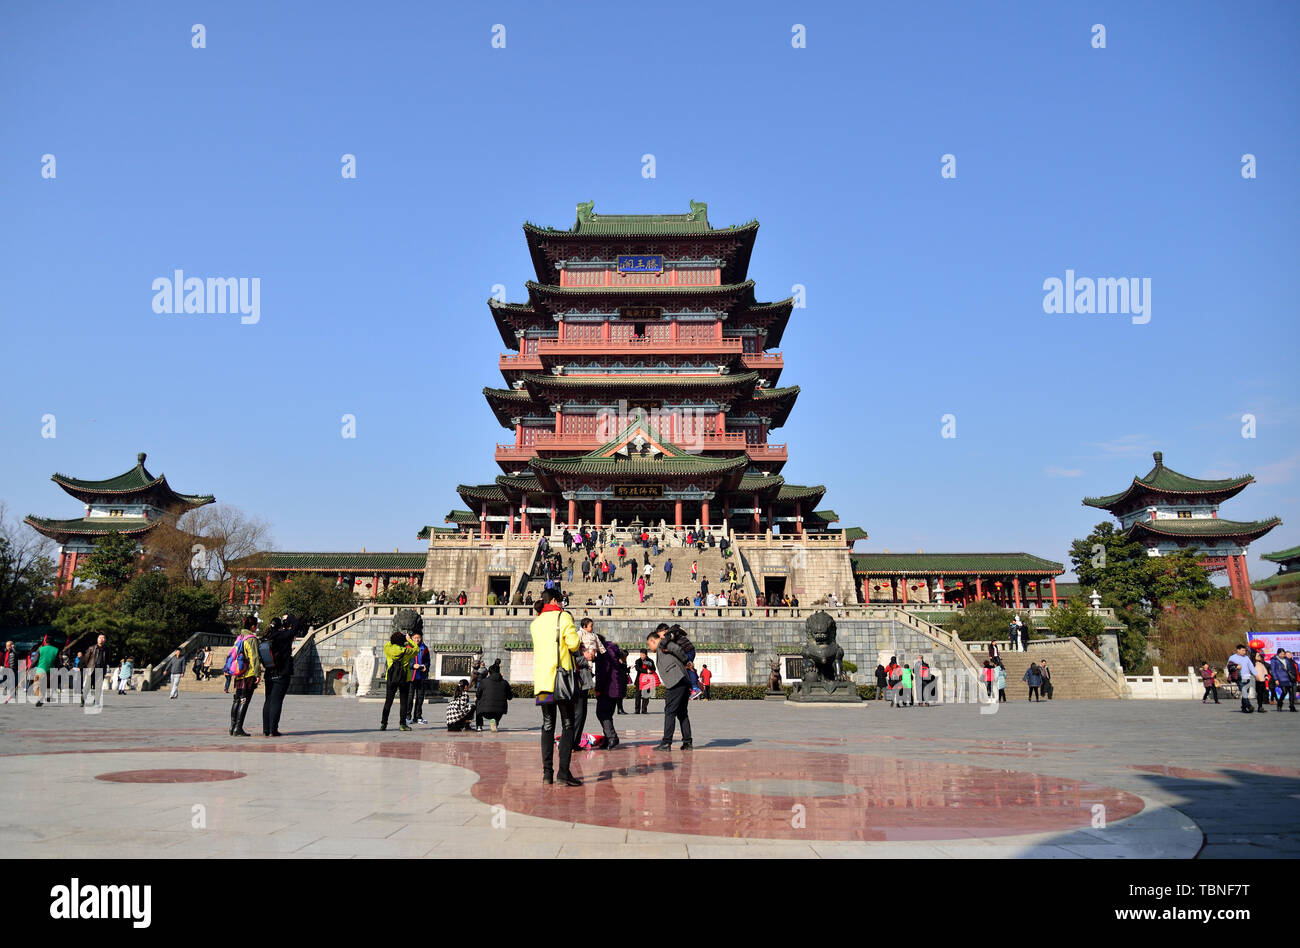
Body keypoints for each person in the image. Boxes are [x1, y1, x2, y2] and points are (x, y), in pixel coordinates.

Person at [529, 590, 582, 787]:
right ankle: (563, 773)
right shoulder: (563, 616)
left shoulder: (536, 622)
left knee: (547, 724)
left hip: (543, 682)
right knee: (568, 724)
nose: (562, 604)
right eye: (560, 600)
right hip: (562, 680)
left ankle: (547, 774)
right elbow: (573, 644)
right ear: (553, 600)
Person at [648, 624, 693, 750]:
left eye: (649, 644)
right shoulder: (662, 646)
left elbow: (677, 649)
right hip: (681, 680)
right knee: (682, 713)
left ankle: (666, 742)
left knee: (670, 712)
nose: (649, 648)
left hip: (676, 681)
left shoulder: (663, 643)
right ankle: (687, 742)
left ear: (653, 640)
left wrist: (686, 661)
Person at [260, 615, 297, 737]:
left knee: (268, 701)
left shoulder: (266, 636)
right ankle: (273, 729)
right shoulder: (283, 636)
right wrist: (290, 618)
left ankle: (266, 729)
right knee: (277, 701)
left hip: (269, 671)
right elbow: (296, 626)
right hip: (282, 673)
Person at [226, 624, 260, 736]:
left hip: (239, 673)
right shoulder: (251, 639)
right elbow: (254, 657)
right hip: (248, 674)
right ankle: (238, 728)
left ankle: (232, 726)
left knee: (236, 700)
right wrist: (257, 673)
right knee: (244, 701)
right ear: (253, 626)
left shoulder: (239, 637)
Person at [593, 632, 625, 747]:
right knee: (607, 713)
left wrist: (598, 688)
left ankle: (612, 737)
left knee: (602, 713)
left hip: (607, 688)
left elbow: (603, 673)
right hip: (615, 687)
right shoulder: (611, 649)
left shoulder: (603, 653)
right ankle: (607, 738)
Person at [380, 630, 415, 731]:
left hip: (391, 678)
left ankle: (383, 723)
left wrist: (395, 638)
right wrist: (409, 640)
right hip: (404, 678)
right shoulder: (407, 651)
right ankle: (402, 724)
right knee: (404, 702)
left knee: (388, 701)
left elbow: (389, 643)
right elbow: (416, 649)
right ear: (402, 641)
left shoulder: (387, 648)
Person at [475, 660, 511, 731]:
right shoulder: (505, 683)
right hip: (499, 711)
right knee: (499, 707)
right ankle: (495, 721)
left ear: (489, 673)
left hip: (484, 711)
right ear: (499, 672)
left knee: (477, 701)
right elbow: (510, 697)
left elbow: (478, 695)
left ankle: (479, 726)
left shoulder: (484, 681)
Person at [80, 633, 109, 707]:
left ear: (105, 640)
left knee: (98, 687)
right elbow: (86, 659)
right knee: (87, 686)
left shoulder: (106, 649)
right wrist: (88, 667)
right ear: (97, 639)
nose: (101, 639)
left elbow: (106, 660)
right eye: (100, 637)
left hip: (100, 670)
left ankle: (96, 701)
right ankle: (83, 700)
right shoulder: (92, 648)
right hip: (92, 669)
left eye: (103, 638)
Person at [409, 631, 431, 725]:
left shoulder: (424, 648)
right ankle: (407, 716)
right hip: (411, 676)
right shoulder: (408, 648)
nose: (417, 639)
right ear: (412, 638)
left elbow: (427, 660)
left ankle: (418, 716)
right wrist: (413, 665)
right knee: (409, 698)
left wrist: (425, 666)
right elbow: (405, 661)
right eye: (415, 637)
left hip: (421, 676)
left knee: (420, 697)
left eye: (419, 637)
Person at [31, 636, 60, 707]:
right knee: (46, 685)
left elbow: (35, 661)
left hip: (41, 670)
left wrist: (30, 667)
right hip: (51, 670)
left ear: (45, 642)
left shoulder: (40, 649)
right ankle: (46, 696)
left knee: (36, 685)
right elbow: (57, 662)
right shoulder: (56, 650)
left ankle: (40, 697)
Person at [1227, 645, 1256, 713]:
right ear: (1238, 650)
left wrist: (1255, 674)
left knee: (1246, 693)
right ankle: (1249, 706)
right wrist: (1236, 667)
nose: (1244, 652)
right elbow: (1228, 667)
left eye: (1245, 650)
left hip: (1247, 677)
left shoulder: (1246, 658)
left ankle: (1243, 707)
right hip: (1239, 677)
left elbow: (1251, 666)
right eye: (1242, 650)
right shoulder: (1232, 657)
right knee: (1244, 692)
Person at [633, 649, 656, 714]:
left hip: (647, 680)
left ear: (646, 655)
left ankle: (644, 709)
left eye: (643, 655)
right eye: (641, 654)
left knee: (646, 695)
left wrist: (650, 669)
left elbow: (654, 669)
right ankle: (637, 710)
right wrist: (646, 671)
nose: (642, 656)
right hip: (639, 680)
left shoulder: (650, 661)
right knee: (638, 695)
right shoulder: (638, 661)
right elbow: (638, 668)